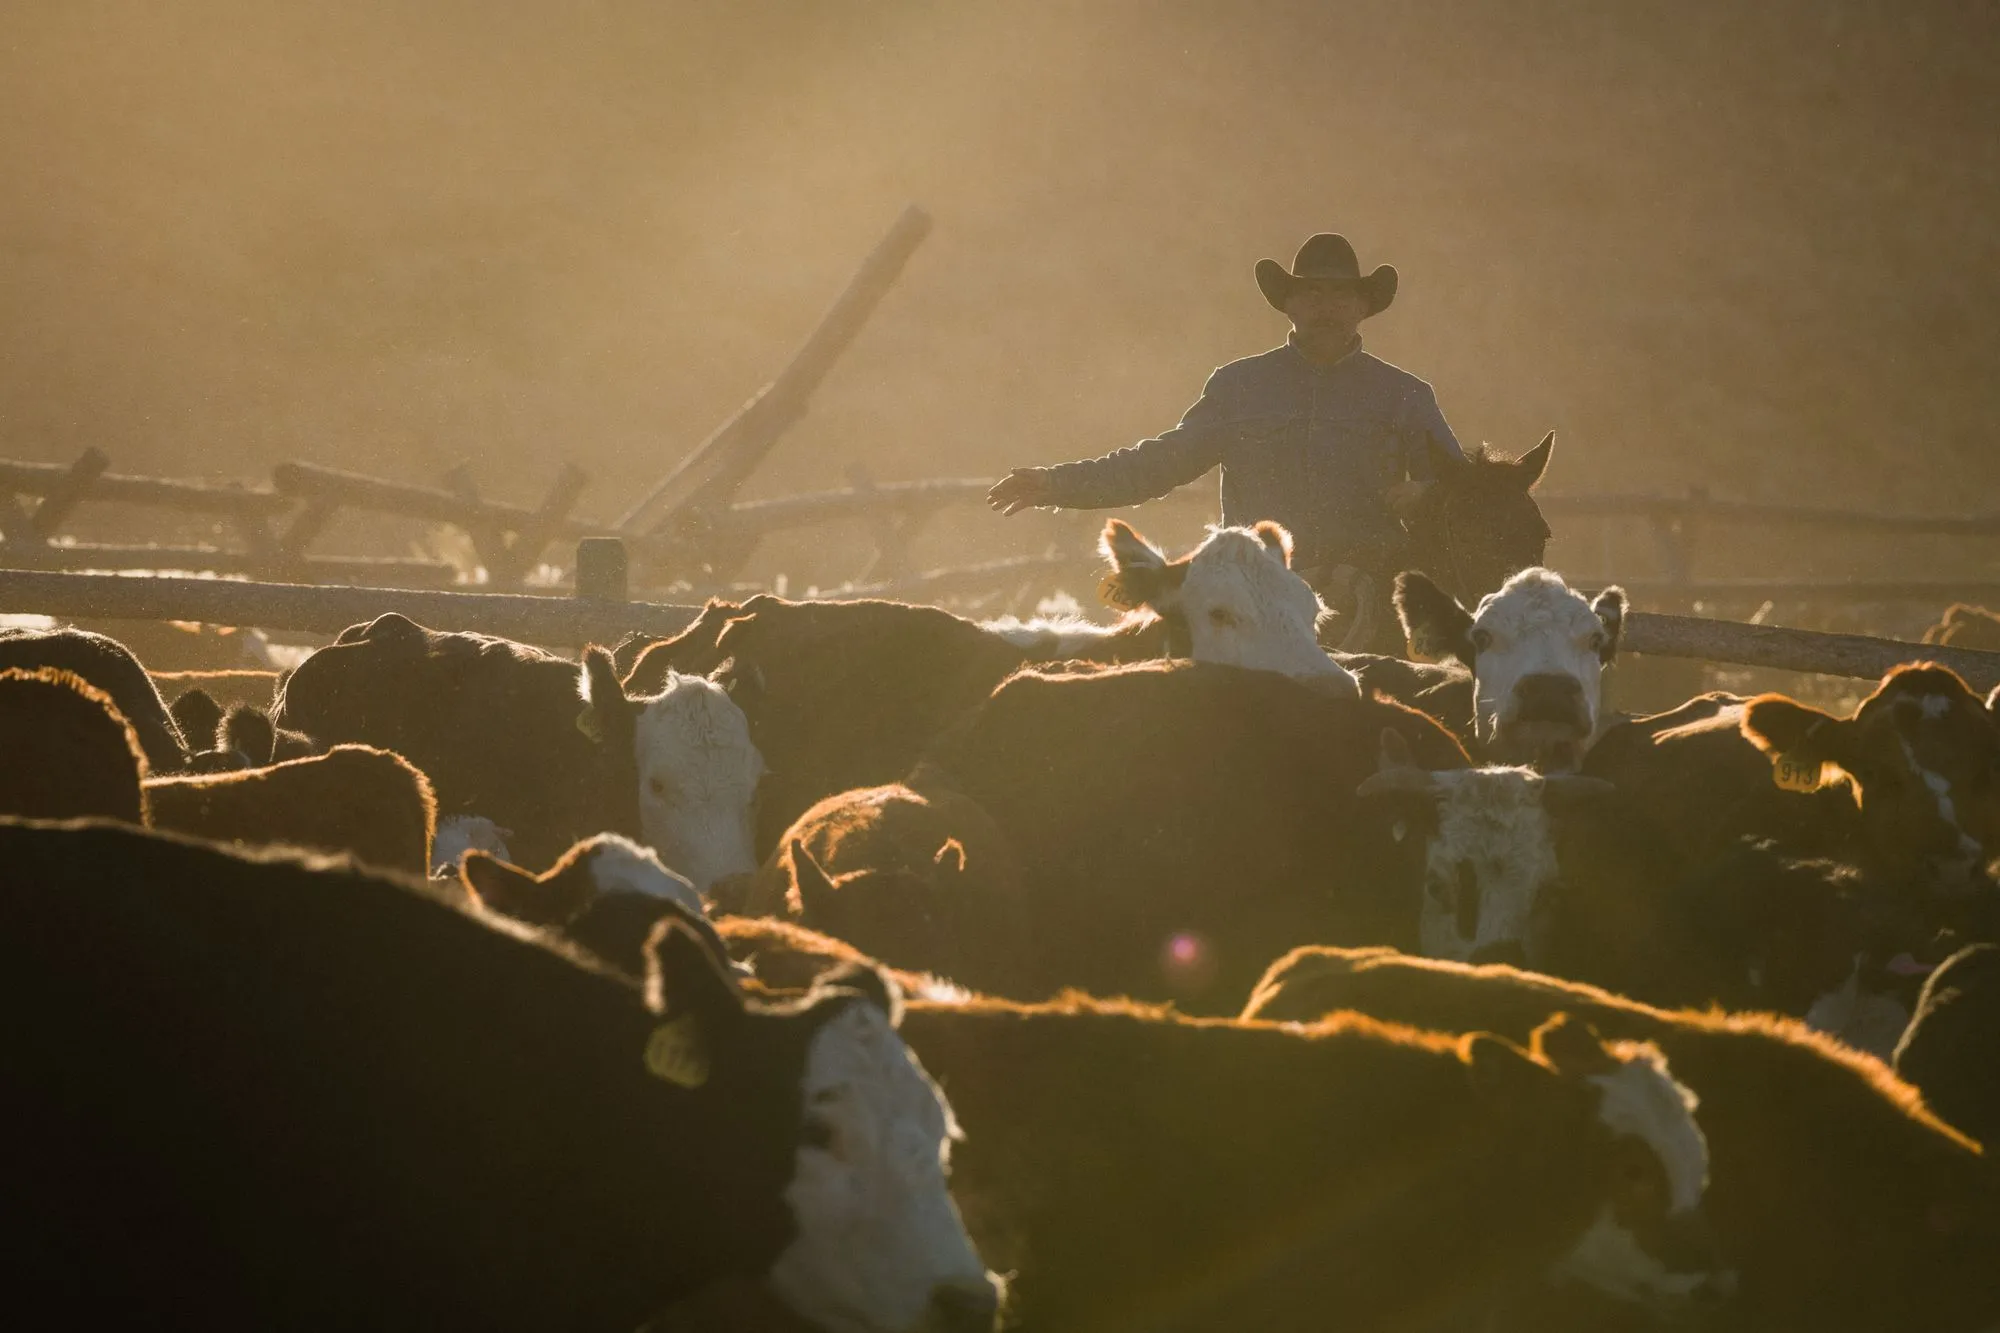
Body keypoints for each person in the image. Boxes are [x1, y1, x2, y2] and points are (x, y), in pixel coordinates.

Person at [987, 233, 1465, 593]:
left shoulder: (1405, 396)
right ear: (1289, 304)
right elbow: (1159, 465)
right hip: (1253, 590)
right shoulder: (1239, 387)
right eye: (1312, 294)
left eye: (1341, 296)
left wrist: (1427, 494)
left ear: (1363, 307)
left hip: (1369, 589)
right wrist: (1057, 484)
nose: (1327, 307)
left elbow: (1463, 497)